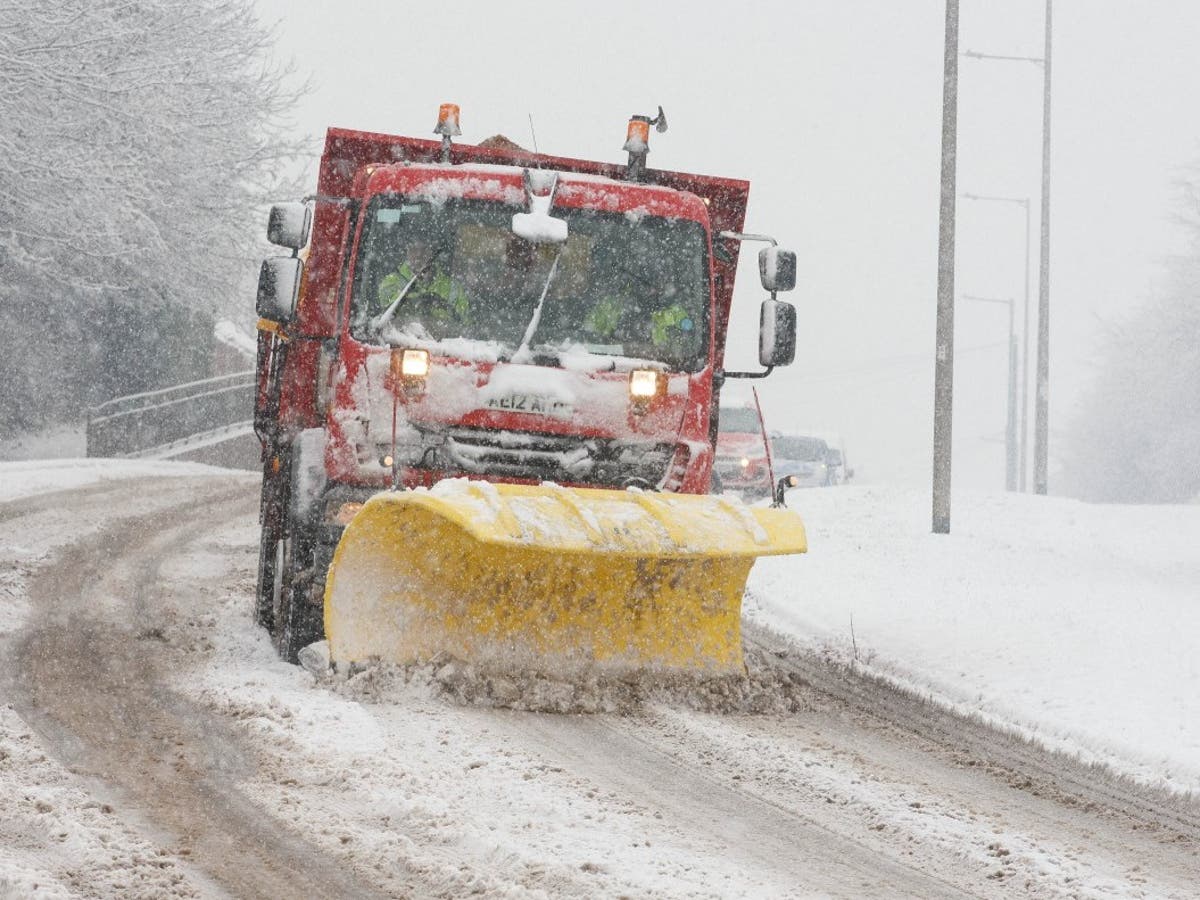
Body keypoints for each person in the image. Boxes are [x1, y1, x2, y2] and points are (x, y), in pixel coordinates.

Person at [376, 240, 470, 330]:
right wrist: (416, 301)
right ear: (406, 252)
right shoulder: (390, 283)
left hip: (442, 341)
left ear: (433, 252)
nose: (419, 255)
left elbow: (466, 328)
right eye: (413, 249)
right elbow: (381, 321)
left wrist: (443, 305)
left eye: (424, 249)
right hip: (398, 339)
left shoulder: (454, 288)